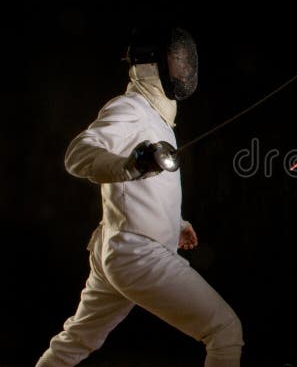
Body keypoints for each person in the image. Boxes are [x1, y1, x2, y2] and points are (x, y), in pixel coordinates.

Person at [37, 26, 244, 367]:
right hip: (136, 254)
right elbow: (78, 155)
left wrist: (175, 222)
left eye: (183, 62)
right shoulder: (130, 107)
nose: (182, 69)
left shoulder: (157, 119)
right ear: (152, 65)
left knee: (75, 341)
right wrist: (131, 166)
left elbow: (144, 189)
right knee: (224, 331)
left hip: (116, 250)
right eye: (175, 61)